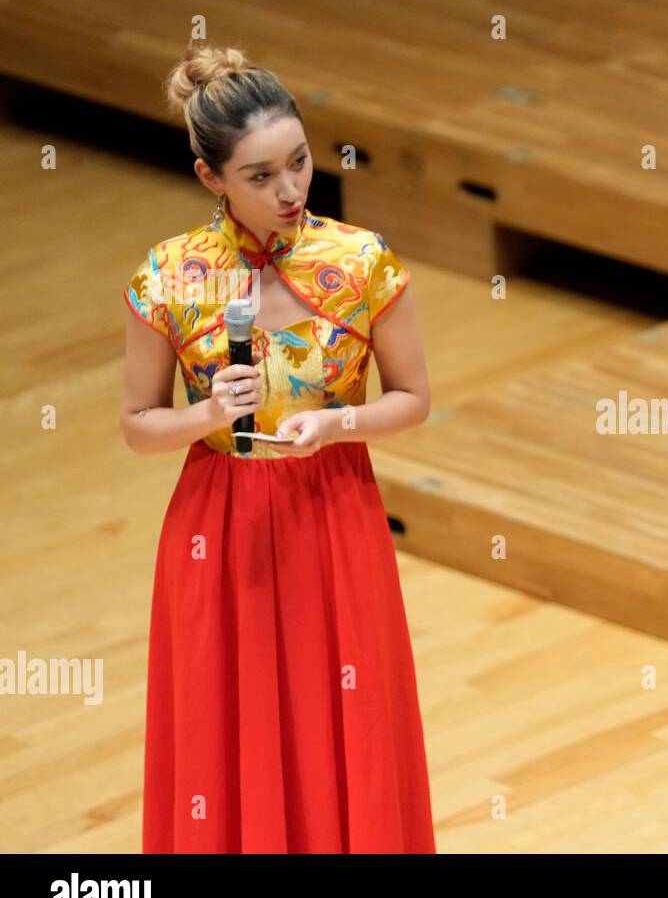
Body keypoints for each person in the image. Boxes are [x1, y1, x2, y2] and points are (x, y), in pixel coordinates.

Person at [121, 44, 436, 852]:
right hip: (216, 528)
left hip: (333, 514)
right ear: (209, 178)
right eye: (260, 176)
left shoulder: (361, 263)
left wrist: (337, 424)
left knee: (349, 724)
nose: (291, 189)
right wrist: (203, 418)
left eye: (298, 162)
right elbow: (136, 424)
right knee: (228, 727)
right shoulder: (170, 276)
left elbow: (413, 400)